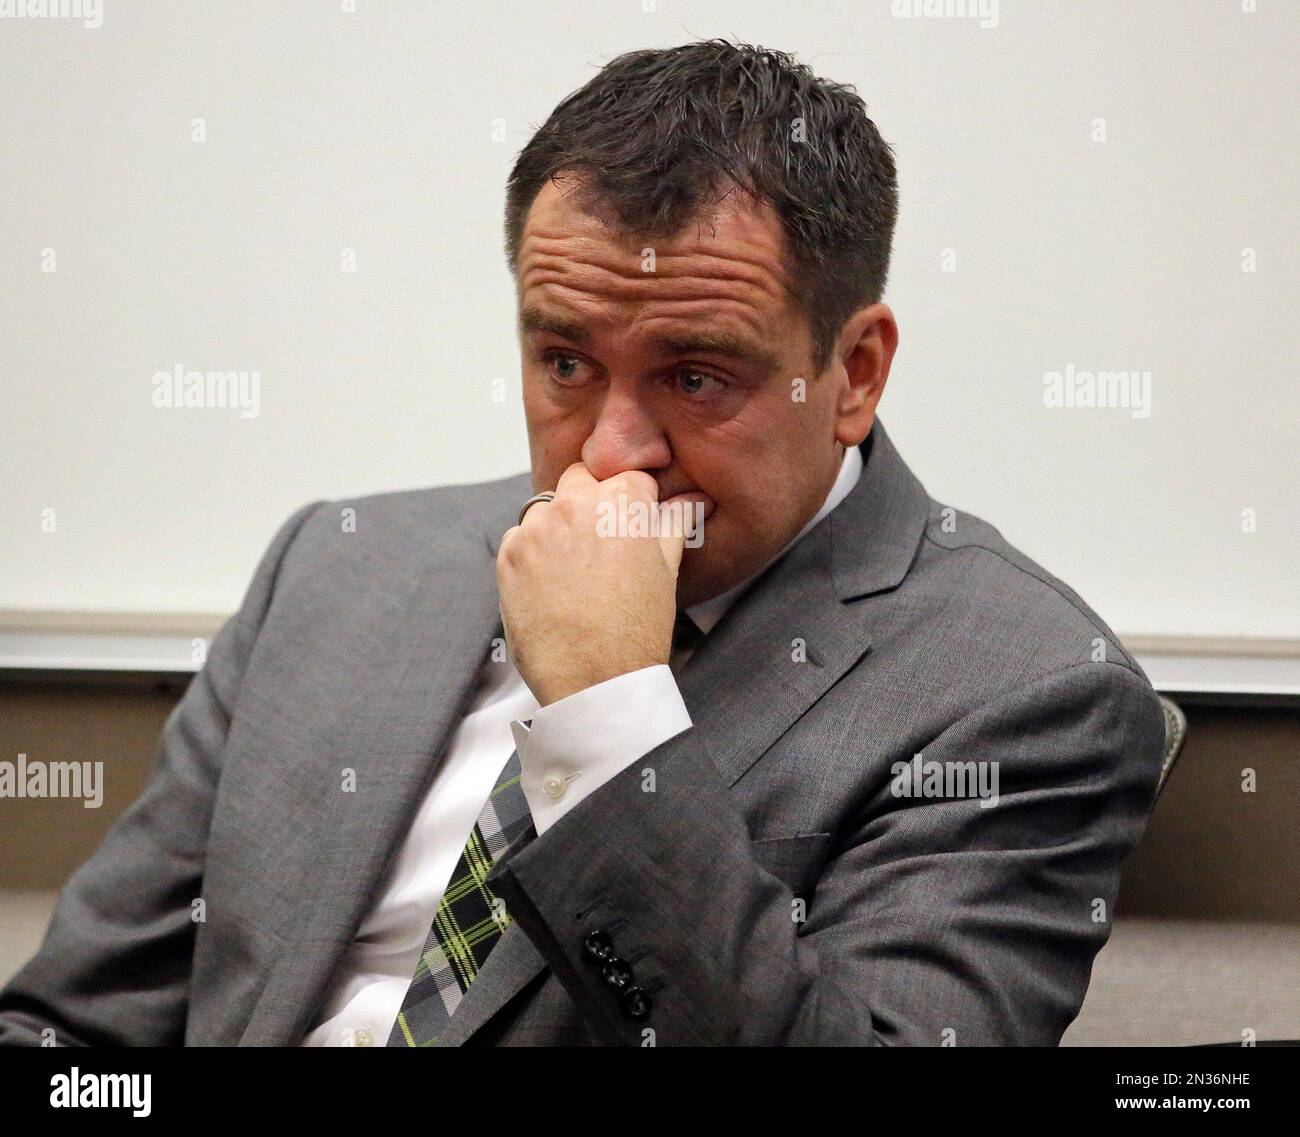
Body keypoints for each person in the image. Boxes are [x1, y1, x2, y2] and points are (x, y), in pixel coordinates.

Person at [0, 39, 1165, 1047]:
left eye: (695, 376)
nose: (609, 457)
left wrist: (605, 718)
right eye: (564, 363)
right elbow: (77, 1029)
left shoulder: (1023, 690)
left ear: (851, 372)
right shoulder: (339, 568)